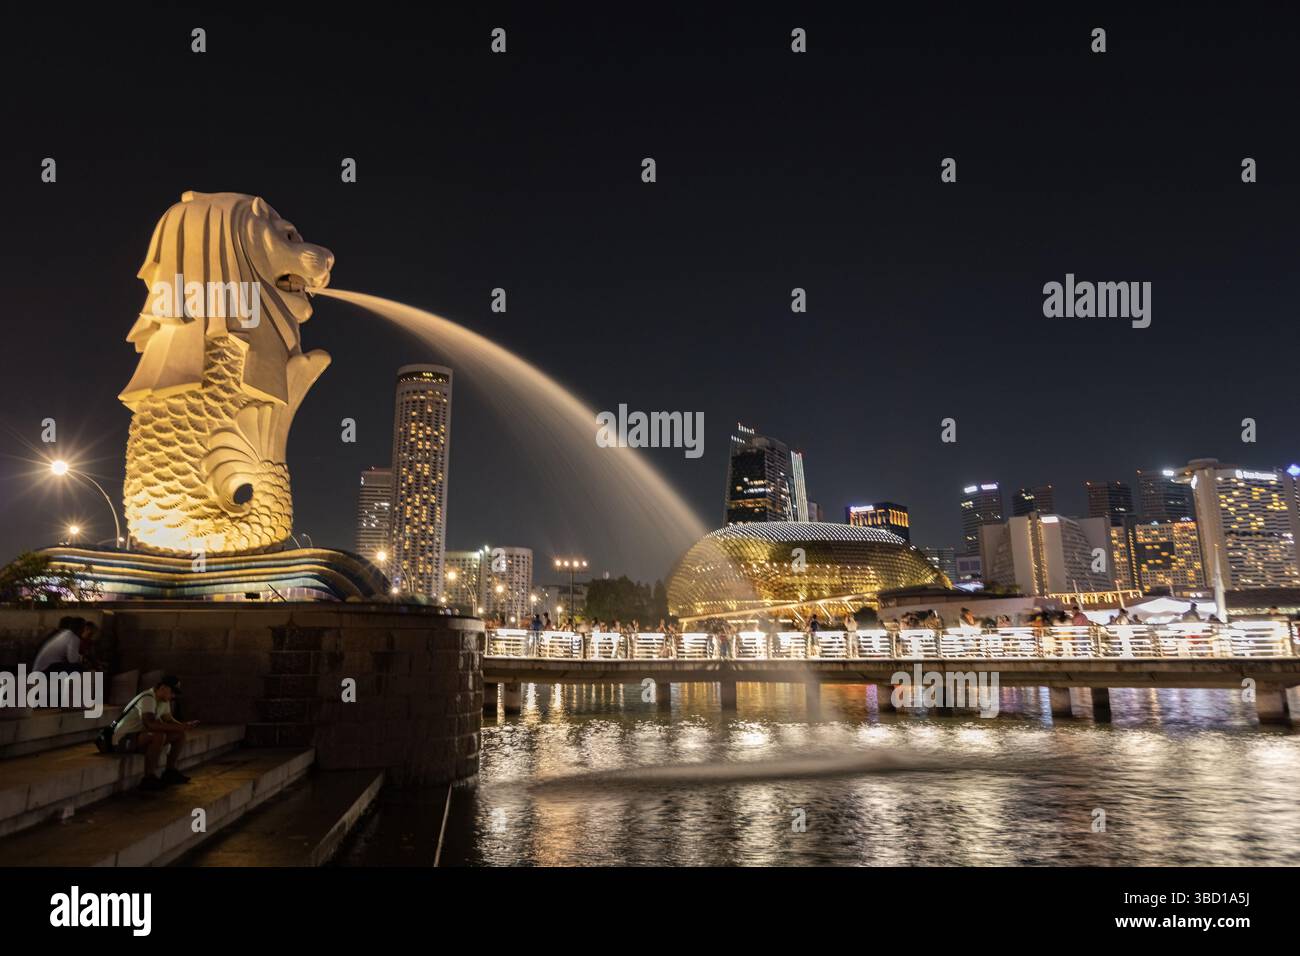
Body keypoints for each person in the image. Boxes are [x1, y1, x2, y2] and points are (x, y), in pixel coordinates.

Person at [112, 676, 198, 791]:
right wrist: (180, 726)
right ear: (163, 688)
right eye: (172, 692)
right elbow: (150, 724)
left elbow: (169, 719)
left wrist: (185, 726)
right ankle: (148, 778)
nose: (173, 696)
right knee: (158, 735)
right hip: (123, 739)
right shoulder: (148, 698)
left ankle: (170, 771)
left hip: (139, 737)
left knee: (179, 734)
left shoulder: (163, 701)